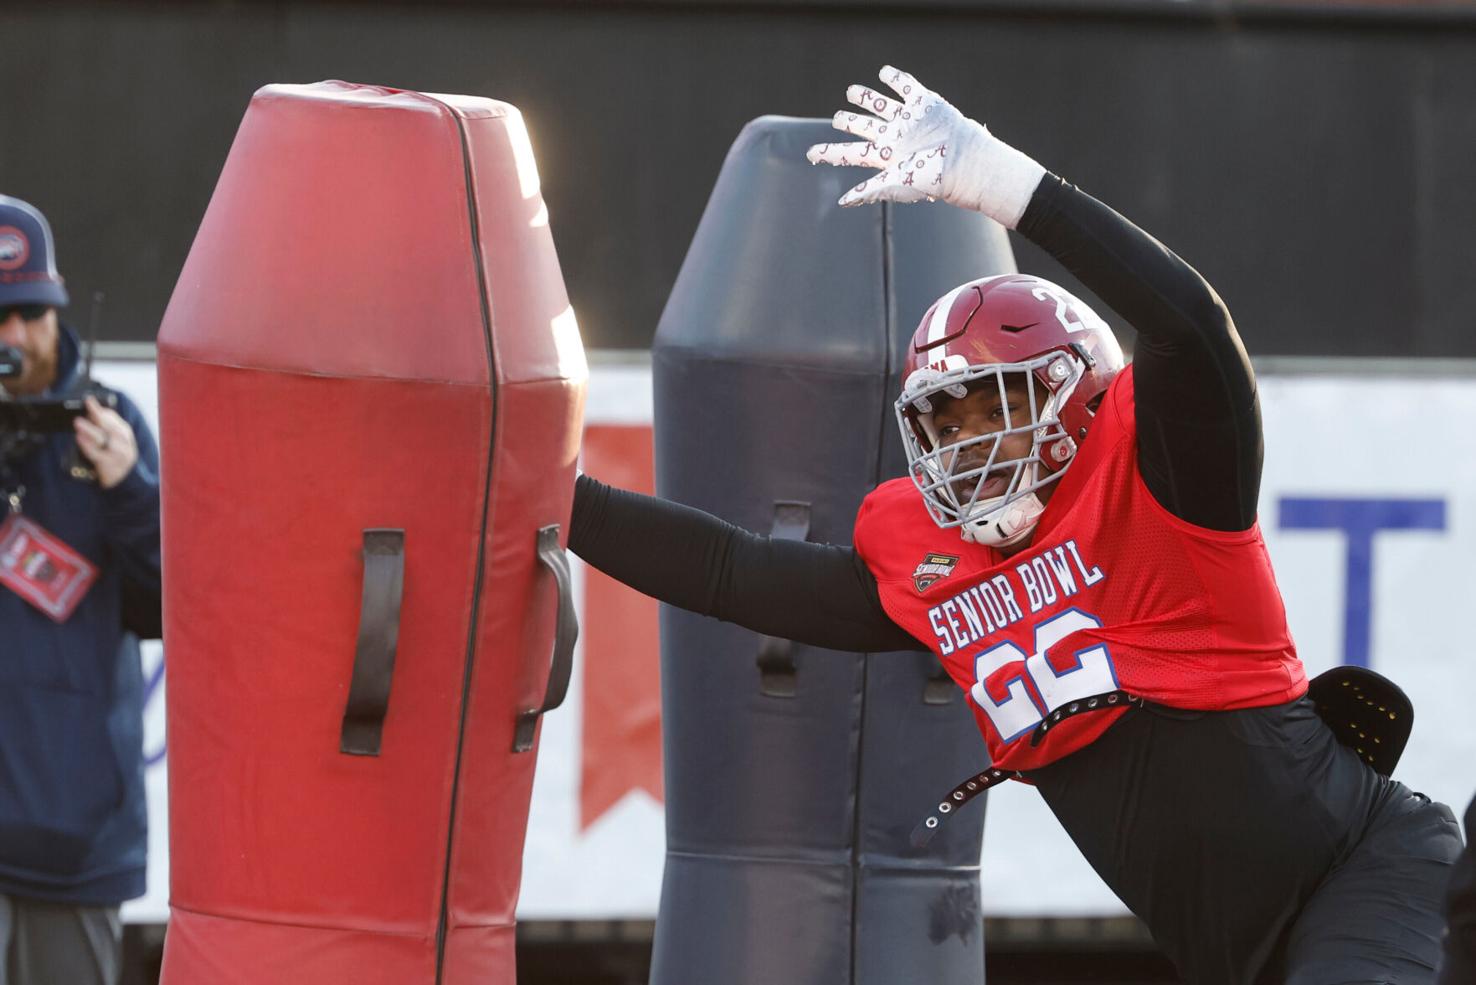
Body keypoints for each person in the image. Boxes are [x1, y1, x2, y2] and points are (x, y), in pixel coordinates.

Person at [568, 68, 1462, 983]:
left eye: (988, 406)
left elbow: (1191, 323)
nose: (962, 444)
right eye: (941, 422)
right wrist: (557, 501)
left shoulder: (1162, 479)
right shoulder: (937, 566)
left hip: (1362, 869)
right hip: (1231, 946)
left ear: (1072, 386)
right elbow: (735, 573)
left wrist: (998, 181)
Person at [0, 195, 160, 985]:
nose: (13, 338)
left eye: (29, 312)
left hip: (75, 845)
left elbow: (170, 605)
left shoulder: (110, 425)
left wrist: (130, 485)